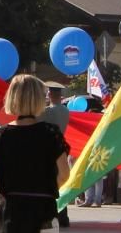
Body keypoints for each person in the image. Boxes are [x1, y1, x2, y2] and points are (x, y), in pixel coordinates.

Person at [0, 75, 71, 233]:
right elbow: (64, 174)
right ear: (39, 99)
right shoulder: (51, 133)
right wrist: (45, 188)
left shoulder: (2, 135)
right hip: (44, 210)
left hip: (12, 211)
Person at [41, 88, 71, 227]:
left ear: (51, 94)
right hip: (62, 145)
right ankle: (63, 215)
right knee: (60, 183)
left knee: (51, 183)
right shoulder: (65, 110)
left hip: (49, 148)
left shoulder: (49, 111)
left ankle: (55, 213)